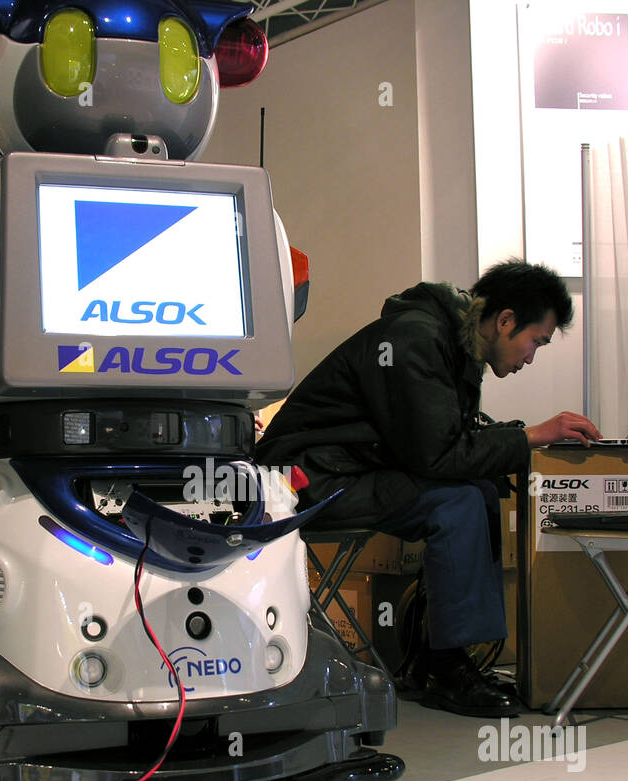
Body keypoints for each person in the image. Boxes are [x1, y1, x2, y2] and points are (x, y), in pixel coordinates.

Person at [256, 259, 599, 717]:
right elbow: (438, 455)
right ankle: (447, 668)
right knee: (456, 501)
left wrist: (518, 438)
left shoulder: (451, 343)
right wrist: (530, 436)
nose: (531, 357)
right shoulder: (417, 339)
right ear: (505, 321)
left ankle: (440, 657)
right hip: (304, 481)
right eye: (534, 342)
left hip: (348, 468)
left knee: (477, 490)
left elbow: (441, 440)